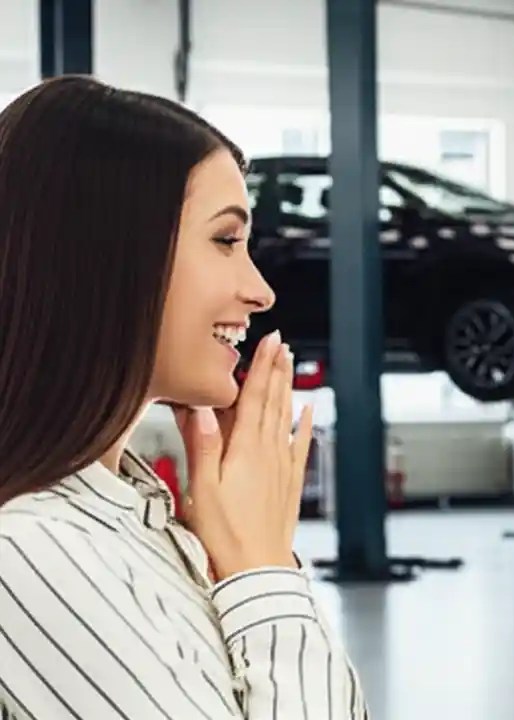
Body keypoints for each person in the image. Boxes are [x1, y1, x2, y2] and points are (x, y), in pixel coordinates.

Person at [0, 76, 369, 718]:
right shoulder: (31, 551)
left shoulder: (141, 526)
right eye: (225, 241)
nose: (261, 291)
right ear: (107, 258)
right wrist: (262, 570)